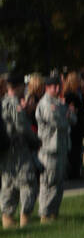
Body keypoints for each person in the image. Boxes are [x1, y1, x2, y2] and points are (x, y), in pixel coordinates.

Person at [1, 74, 41, 229]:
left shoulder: (2, 102)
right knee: (28, 182)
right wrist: (35, 140)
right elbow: (22, 127)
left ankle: (7, 218)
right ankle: (25, 218)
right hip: (17, 150)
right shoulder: (14, 103)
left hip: (4, 152)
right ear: (17, 87)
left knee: (8, 183)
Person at [35, 71, 72, 221]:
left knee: (58, 183)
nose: (57, 89)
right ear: (47, 88)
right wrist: (66, 116)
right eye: (54, 87)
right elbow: (58, 122)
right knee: (49, 182)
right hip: (49, 149)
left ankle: (53, 213)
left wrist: (67, 115)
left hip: (60, 147)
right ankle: (45, 214)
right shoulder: (46, 104)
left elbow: (73, 118)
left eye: (59, 86)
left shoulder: (58, 103)